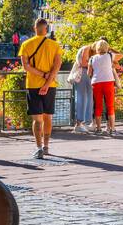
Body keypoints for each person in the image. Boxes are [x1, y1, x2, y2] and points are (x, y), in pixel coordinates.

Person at [19, 19, 62, 159]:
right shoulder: (55, 45)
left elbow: (26, 67)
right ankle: (46, 146)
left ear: (34, 28)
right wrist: (47, 83)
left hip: (32, 85)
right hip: (50, 86)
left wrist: (41, 76)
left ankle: (38, 148)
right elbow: (57, 67)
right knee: (48, 116)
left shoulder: (26, 44)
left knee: (37, 119)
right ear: (46, 29)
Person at [90, 38, 123, 135]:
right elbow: (121, 55)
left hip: (96, 82)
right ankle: (112, 129)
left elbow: (89, 73)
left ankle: (98, 128)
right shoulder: (110, 55)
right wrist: (111, 50)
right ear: (107, 47)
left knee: (98, 106)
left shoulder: (92, 58)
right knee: (110, 106)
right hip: (108, 82)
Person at [71, 41, 96, 133]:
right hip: (82, 75)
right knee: (82, 98)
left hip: (87, 75)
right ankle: (79, 123)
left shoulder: (90, 50)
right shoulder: (87, 48)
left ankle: (85, 123)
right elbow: (82, 63)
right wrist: (94, 64)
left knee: (88, 99)